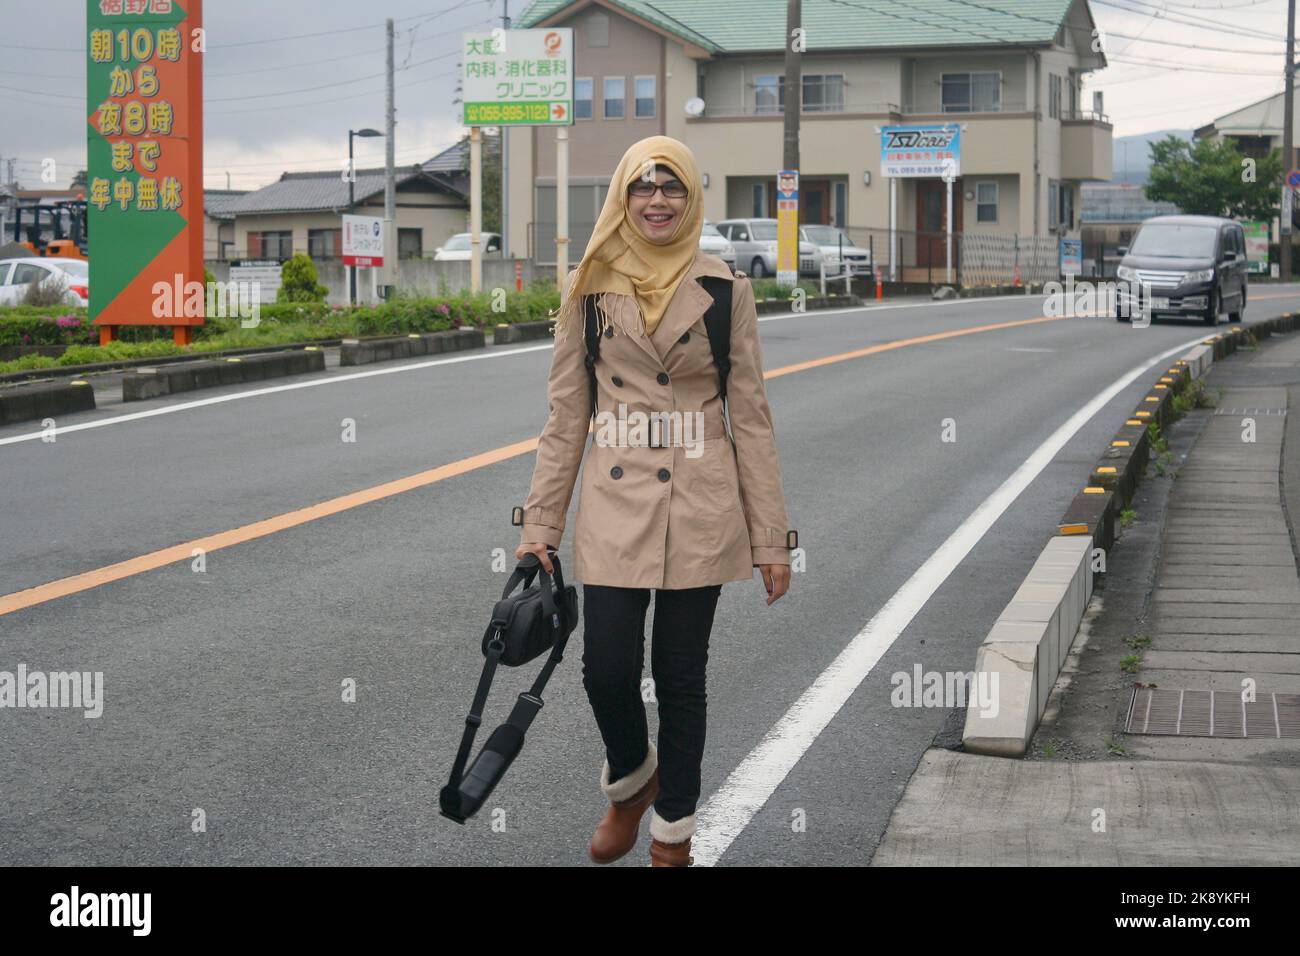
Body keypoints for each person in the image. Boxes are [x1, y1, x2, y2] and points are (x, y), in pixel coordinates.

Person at [514, 134, 794, 867]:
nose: (658, 199)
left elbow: (752, 417)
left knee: (680, 676)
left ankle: (674, 837)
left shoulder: (726, 289)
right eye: (643, 186)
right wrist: (540, 525)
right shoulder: (589, 288)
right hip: (616, 502)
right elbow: (566, 415)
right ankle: (632, 784)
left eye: (673, 187)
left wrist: (771, 539)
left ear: (692, 197)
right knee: (605, 668)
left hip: (702, 504)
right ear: (623, 197)